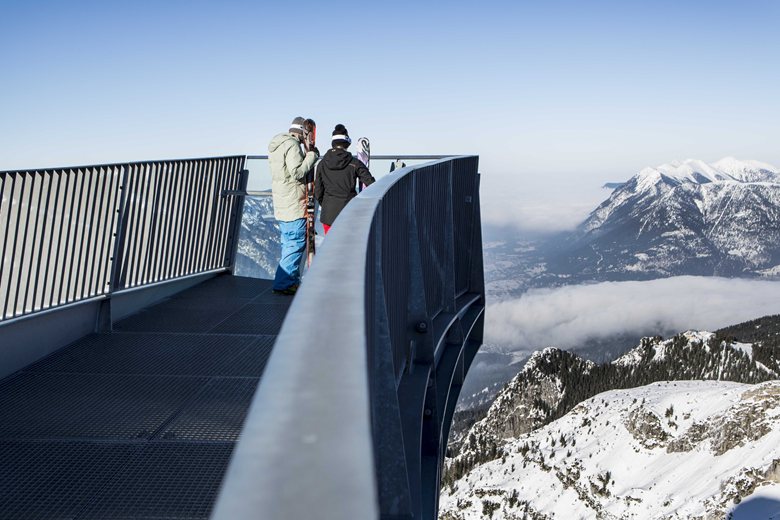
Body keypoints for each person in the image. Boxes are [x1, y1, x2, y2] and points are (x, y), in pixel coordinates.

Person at [268, 116, 319, 295]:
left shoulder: (277, 146)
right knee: (295, 244)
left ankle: (290, 281)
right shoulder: (292, 145)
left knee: (288, 243)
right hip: (294, 204)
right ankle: (284, 284)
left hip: (283, 203)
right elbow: (297, 172)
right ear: (302, 133)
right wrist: (312, 156)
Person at [314, 124, 375, 235]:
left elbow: (318, 191)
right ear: (347, 143)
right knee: (347, 243)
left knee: (331, 243)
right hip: (349, 212)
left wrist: (327, 204)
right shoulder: (355, 163)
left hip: (328, 213)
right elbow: (370, 183)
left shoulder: (322, 164)